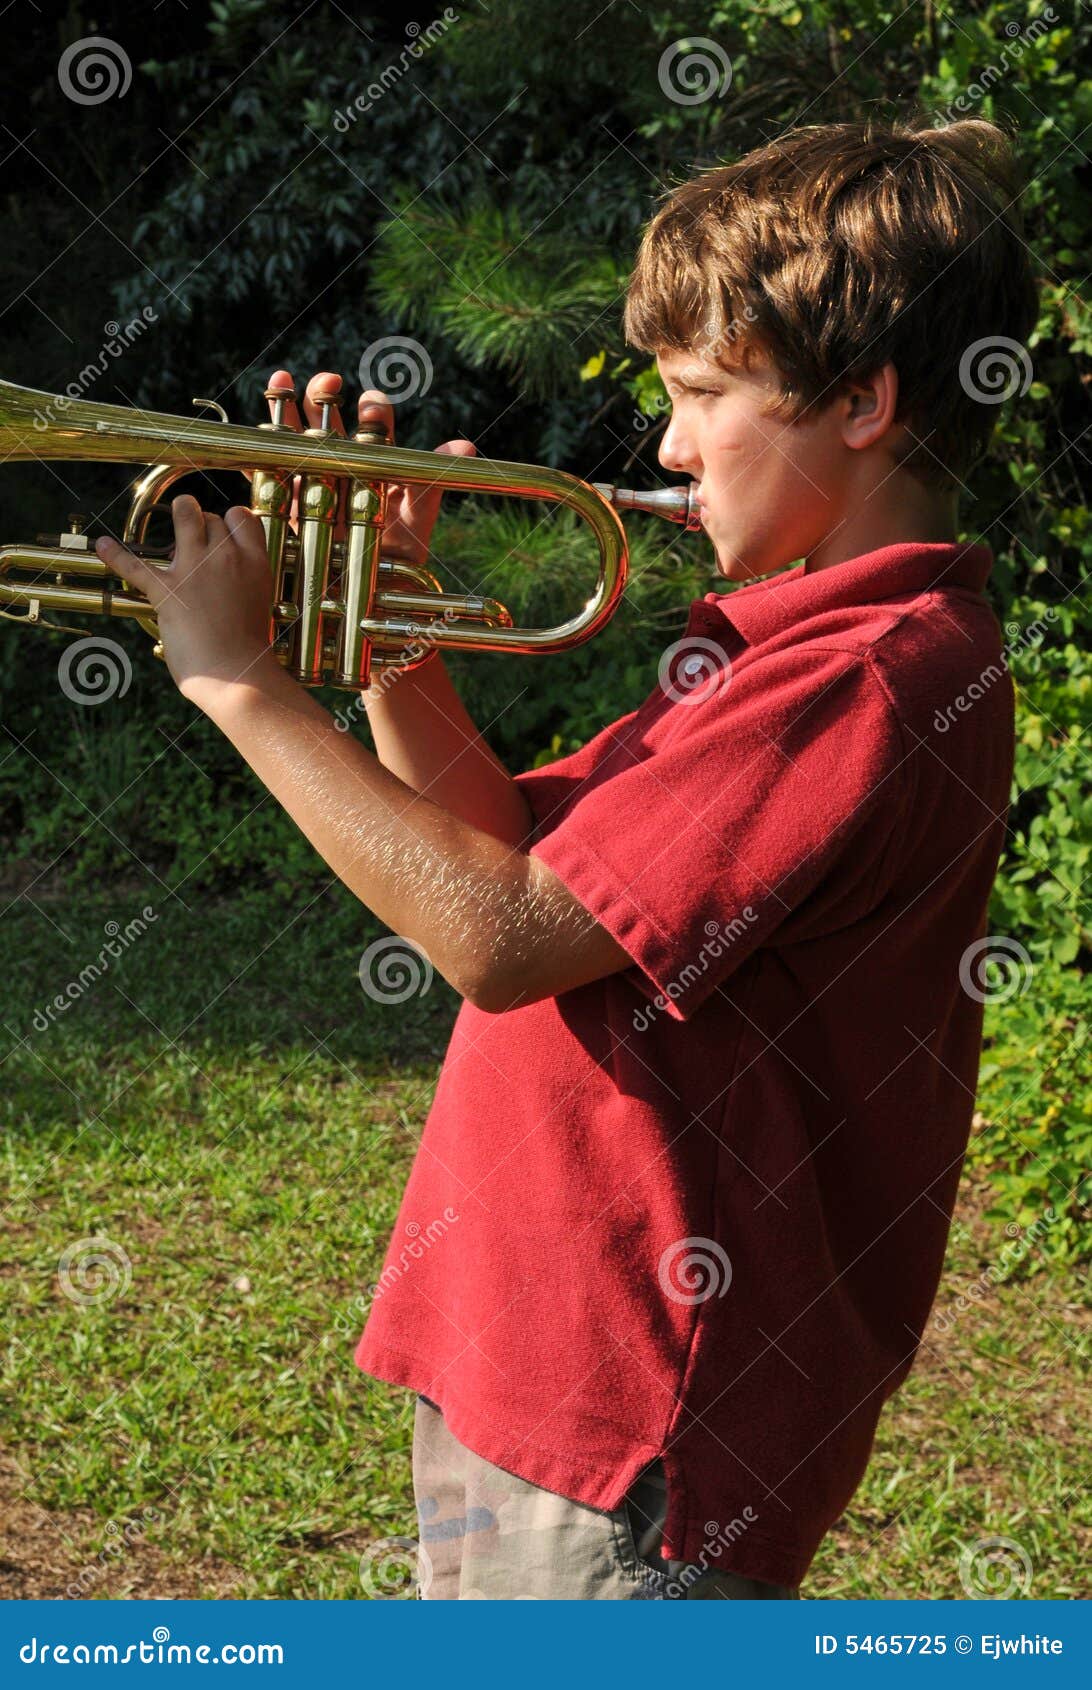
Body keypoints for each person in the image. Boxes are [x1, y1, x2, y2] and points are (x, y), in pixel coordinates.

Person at [97, 114, 1039, 1600]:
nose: (667, 447)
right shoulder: (796, 646)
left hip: (635, 1422)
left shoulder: (865, 673)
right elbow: (521, 857)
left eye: (703, 394)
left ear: (864, 401)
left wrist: (239, 683)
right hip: (546, 1365)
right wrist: (389, 628)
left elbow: (500, 935)